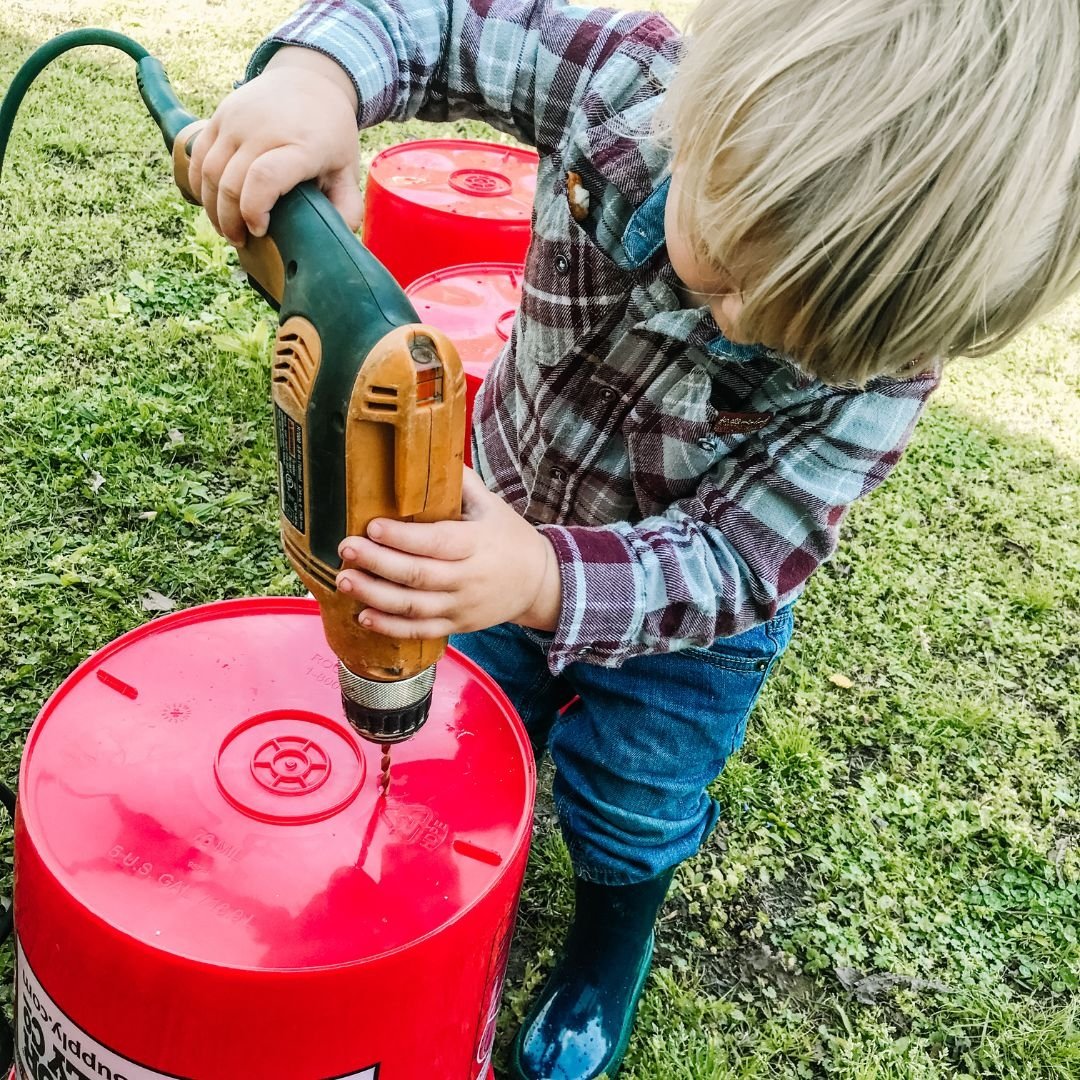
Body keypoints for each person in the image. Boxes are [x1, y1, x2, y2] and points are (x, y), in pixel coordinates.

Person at [189, 2, 1080, 1076]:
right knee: (466, 725)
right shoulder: (621, 80)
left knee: (632, 801)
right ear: (705, 116)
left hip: (688, 629)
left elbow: (741, 555)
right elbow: (433, 21)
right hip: (497, 519)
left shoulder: (888, 372)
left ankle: (610, 945)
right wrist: (317, 80)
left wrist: (542, 577)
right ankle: (454, 869)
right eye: (735, 263)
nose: (740, 323)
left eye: (805, 339)